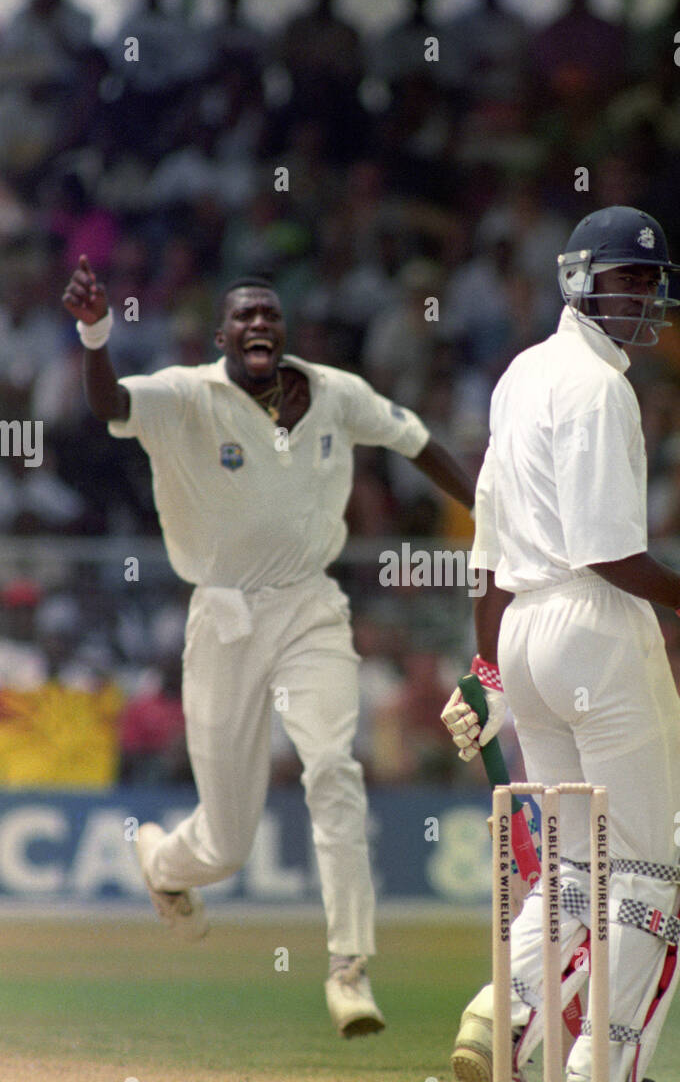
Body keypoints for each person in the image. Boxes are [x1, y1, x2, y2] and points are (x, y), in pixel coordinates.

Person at [62, 256, 474, 1038]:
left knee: (333, 769)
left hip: (311, 606)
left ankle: (349, 967)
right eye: (243, 316)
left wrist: (488, 507)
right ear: (222, 336)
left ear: (283, 332)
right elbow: (109, 403)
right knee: (226, 844)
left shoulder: (335, 393)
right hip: (224, 621)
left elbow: (416, 440)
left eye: (270, 315)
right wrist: (95, 332)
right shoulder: (187, 395)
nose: (258, 323)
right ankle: (164, 865)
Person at [441, 206, 680, 1082]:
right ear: (580, 282)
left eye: (652, 284)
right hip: (593, 624)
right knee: (651, 865)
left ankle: (499, 1016)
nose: (645, 300)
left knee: (572, 868)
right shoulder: (600, 388)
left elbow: (490, 545)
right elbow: (604, 551)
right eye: (629, 281)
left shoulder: (518, 376)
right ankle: (600, 1078)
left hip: (524, 631)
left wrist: (489, 668)